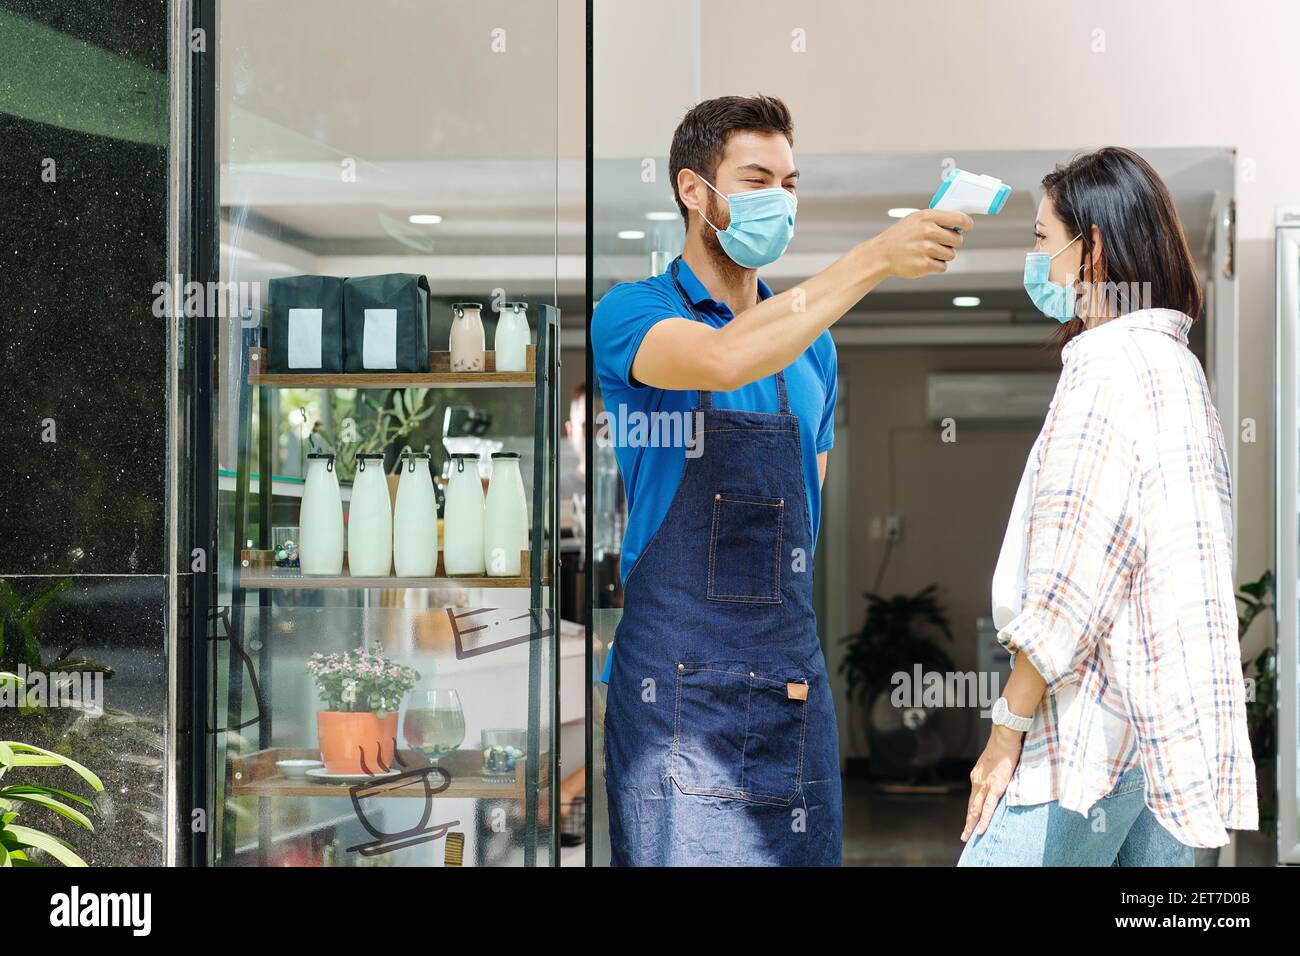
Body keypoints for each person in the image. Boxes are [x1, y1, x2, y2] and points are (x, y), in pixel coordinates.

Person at [591, 94, 972, 866]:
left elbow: (807, 514)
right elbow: (725, 357)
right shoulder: (631, 313)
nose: (782, 201)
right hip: (675, 694)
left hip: (788, 683)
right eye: (758, 178)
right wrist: (873, 258)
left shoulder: (815, 352)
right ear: (694, 192)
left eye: (791, 184)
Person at [959, 147, 1258, 866]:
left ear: (1089, 247)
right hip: (1169, 736)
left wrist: (1005, 731)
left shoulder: (1104, 369)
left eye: (1040, 239)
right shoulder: (1179, 371)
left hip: (1090, 736)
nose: (1035, 260)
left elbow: (1070, 590)